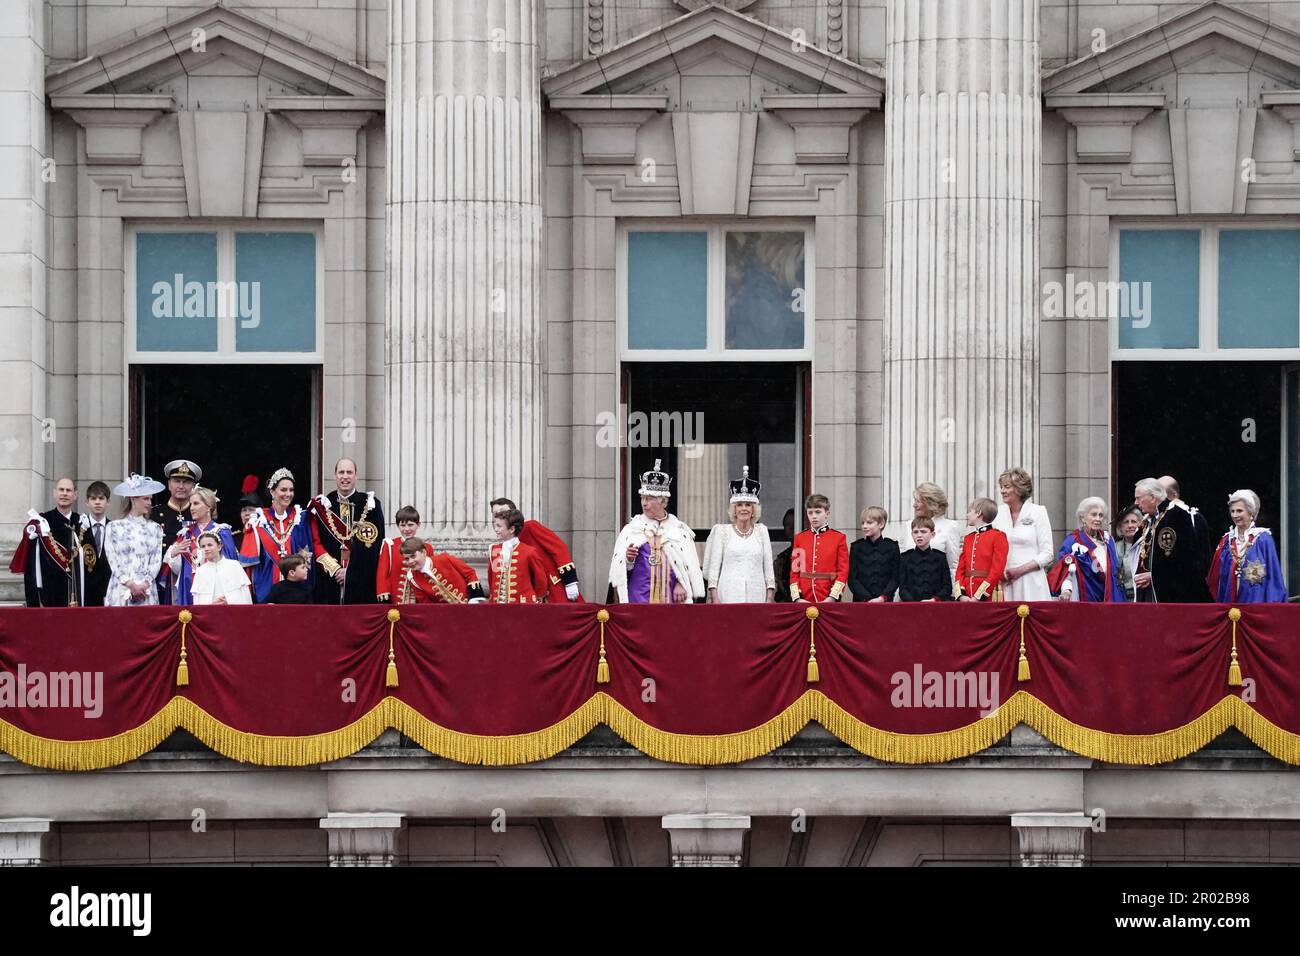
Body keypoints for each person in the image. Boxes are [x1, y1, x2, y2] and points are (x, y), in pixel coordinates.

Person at [609, 459, 705, 604]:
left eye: (649, 499)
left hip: (670, 600)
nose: (644, 503)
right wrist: (628, 559)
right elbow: (620, 572)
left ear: (662, 501)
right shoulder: (632, 529)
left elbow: (686, 566)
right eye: (642, 498)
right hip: (638, 599)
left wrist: (682, 583)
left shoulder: (679, 531)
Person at [309, 458, 386, 605]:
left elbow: (375, 547)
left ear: (356, 476)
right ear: (335, 476)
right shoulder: (324, 505)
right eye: (341, 472)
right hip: (329, 580)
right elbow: (316, 543)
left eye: (349, 472)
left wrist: (350, 573)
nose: (345, 476)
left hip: (361, 581)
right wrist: (335, 570)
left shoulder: (370, 504)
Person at [240, 468, 320, 603]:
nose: (288, 494)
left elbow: (310, 553)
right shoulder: (258, 520)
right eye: (283, 490)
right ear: (272, 491)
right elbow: (249, 567)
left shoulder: (300, 518)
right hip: (267, 591)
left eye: (291, 490)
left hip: (296, 594)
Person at [11, 477, 88, 607]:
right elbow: (32, 566)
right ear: (54, 493)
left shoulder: (82, 522)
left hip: (78, 594)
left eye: (68, 490)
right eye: (61, 490)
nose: (64, 493)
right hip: (50, 594)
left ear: (75, 495)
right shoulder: (42, 522)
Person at [703, 466, 775, 603]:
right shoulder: (722, 532)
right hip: (728, 595)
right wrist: (715, 599)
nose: (744, 509)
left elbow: (768, 568)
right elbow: (713, 571)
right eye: (739, 505)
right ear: (734, 510)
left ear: (753, 510)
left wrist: (769, 598)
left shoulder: (762, 531)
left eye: (748, 505)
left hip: (756, 595)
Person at [1133, 477, 1210, 603]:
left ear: (1152, 498)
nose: (1136, 503)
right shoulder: (1148, 520)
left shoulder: (1177, 516)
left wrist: (1154, 576)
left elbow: (1187, 560)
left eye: (1138, 498)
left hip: (1174, 596)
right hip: (1150, 593)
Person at [490, 497, 582, 602]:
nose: (498, 515)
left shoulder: (530, 526)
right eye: (495, 513)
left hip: (552, 585)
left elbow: (559, 548)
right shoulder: (504, 540)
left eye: (502, 511)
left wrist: (570, 581)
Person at [1207, 489, 1287, 604]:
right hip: (1229, 606)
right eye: (1232, 511)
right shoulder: (1226, 540)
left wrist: (1271, 608)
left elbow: (1273, 578)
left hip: (1256, 606)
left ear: (1251, 513)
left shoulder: (1263, 538)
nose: (1235, 515)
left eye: (1239, 511)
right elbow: (1215, 578)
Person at [164, 487, 239, 605]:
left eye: (196, 503)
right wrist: (174, 554)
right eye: (191, 504)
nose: (191, 508)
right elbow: (178, 569)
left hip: (216, 588)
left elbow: (231, 567)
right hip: (190, 588)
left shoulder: (221, 531)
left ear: (208, 506)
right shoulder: (186, 533)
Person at [104, 475, 166, 607]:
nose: (149, 503)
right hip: (121, 589)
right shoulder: (114, 527)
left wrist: (144, 584)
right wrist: (129, 583)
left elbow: (156, 560)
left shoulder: (155, 528)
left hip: (146, 590)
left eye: (150, 499)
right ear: (133, 499)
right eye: (145, 498)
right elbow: (112, 559)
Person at [993, 467, 1054, 602]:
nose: (1002, 491)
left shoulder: (1038, 512)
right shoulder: (997, 513)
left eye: (1007, 487)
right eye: (1001, 487)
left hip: (1031, 581)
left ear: (1019, 488)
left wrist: (1019, 570)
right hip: (1005, 582)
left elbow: (1048, 554)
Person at [1049, 497, 1126, 603]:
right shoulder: (1072, 540)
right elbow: (1064, 570)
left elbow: (1115, 572)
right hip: (1084, 598)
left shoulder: (1108, 539)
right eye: (1094, 514)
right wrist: (1066, 590)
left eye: (1101, 515)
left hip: (1109, 598)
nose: (1098, 519)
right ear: (1083, 518)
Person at [150, 459, 200, 604]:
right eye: (177, 481)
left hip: (191, 579)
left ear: (193, 486)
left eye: (186, 482)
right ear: (169, 484)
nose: (181, 486)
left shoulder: (198, 513)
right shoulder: (155, 513)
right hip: (162, 579)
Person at [789, 493, 849, 603]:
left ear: (827, 513)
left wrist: (833, 597)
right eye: (810, 513)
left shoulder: (838, 538)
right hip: (804, 597)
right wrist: (797, 598)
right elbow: (795, 571)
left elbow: (843, 571)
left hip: (828, 596)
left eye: (818, 512)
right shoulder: (799, 538)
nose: (814, 516)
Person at [399, 536, 488, 604]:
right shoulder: (413, 579)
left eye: (413, 556)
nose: (410, 561)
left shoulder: (444, 559)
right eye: (407, 559)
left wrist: (474, 599)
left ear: (424, 552)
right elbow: (426, 604)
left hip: (470, 604)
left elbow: (470, 573)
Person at [489, 508, 551, 604]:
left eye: (499, 526)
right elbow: (491, 579)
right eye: (495, 526)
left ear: (512, 529)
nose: (496, 529)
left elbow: (541, 581)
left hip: (523, 605)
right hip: (497, 606)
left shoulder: (529, 551)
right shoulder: (494, 550)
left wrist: (536, 599)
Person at [955, 498, 1008, 602]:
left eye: (970, 511)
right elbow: (960, 569)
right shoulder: (968, 538)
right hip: (967, 594)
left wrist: (978, 596)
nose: (967, 515)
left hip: (988, 595)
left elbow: (997, 571)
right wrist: (961, 595)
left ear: (978, 513)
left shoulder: (998, 536)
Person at [905, 482, 962, 579]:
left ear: (930, 502)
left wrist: (955, 593)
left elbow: (953, 565)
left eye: (918, 501)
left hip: (939, 590)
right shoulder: (909, 525)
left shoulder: (949, 526)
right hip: (912, 590)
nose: (914, 505)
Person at [1159, 475, 1213, 571]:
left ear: (1174, 495)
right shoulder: (1156, 518)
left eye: (1160, 494)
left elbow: (1202, 555)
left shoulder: (1194, 517)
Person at [376, 505, 427, 603]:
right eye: (403, 525)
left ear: (418, 525)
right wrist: (383, 591)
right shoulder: (390, 545)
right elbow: (382, 571)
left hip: (419, 598)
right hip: (396, 597)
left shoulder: (426, 547)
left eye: (410, 525)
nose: (406, 529)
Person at [849, 506, 900, 602]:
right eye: (863, 523)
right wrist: (865, 597)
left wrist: (883, 597)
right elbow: (852, 579)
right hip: (861, 602)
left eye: (869, 523)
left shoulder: (892, 547)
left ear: (881, 524)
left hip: (885, 602)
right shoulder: (856, 547)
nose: (864, 526)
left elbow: (895, 577)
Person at [897, 517, 953, 602]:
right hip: (911, 607)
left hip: (936, 606)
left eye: (923, 531)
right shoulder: (905, 558)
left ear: (932, 534)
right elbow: (903, 588)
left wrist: (935, 599)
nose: (919, 535)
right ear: (912, 534)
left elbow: (947, 587)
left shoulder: (940, 557)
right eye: (915, 532)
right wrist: (915, 604)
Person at [190, 531, 253, 605]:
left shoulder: (234, 565)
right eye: (203, 546)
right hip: (210, 614)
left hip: (233, 612)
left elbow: (245, 596)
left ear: (219, 546)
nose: (206, 549)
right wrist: (211, 605)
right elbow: (197, 600)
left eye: (210, 545)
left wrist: (228, 602)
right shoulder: (200, 571)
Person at [82, 481, 113, 607]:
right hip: (85, 591)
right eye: (93, 498)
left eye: (101, 498)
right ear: (87, 502)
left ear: (108, 502)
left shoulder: (114, 528)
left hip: (109, 590)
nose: (97, 502)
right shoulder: (79, 528)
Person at [1113, 505, 1144, 602]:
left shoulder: (1148, 546)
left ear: (1141, 525)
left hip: (1142, 597)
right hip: (1121, 599)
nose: (1130, 525)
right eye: (1126, 522)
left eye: (1134, 522)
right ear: (1120, 528)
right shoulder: (1113, 548)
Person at [772, 508, 797, 603]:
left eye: (794, 524)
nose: (791, 528)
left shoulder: (811, 554)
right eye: (787, 525)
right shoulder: (781, 559)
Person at [232, 474, 262, 554]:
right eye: (244, 510)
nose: (247, 513)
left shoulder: (266, 536)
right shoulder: (234, 539)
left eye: (251, 510)